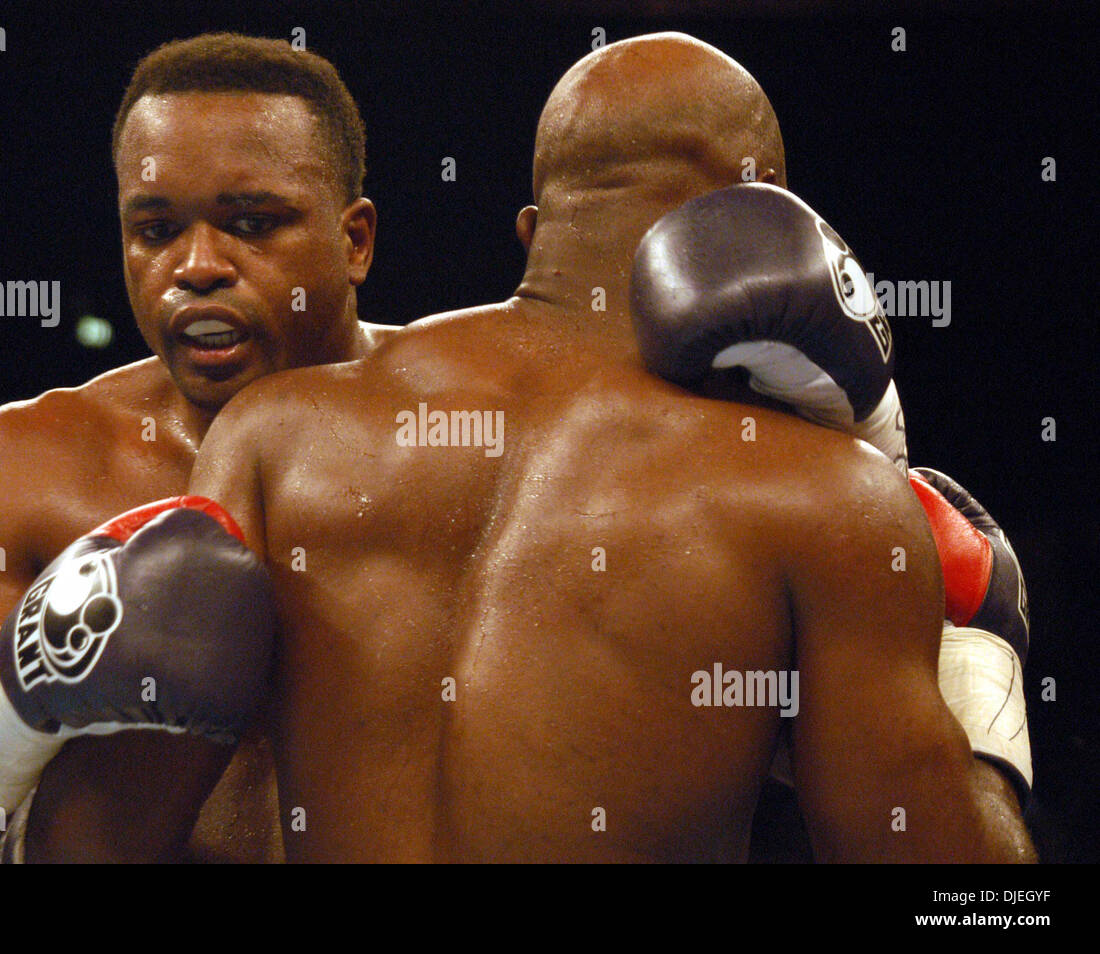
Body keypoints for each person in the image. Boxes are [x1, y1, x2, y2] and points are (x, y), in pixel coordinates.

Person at [168, 32, 1036, 860]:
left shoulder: (270, 431)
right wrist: (971, 667)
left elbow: (161, 816)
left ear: (532, 232)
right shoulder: (824, 498)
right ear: (769, 215)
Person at [0, 32, 391, 863]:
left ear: (355, 241)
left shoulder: (465, 443)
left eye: (252, 224)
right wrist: (15, 692)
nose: (195, 267)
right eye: (155, 230)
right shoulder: (33, 465)